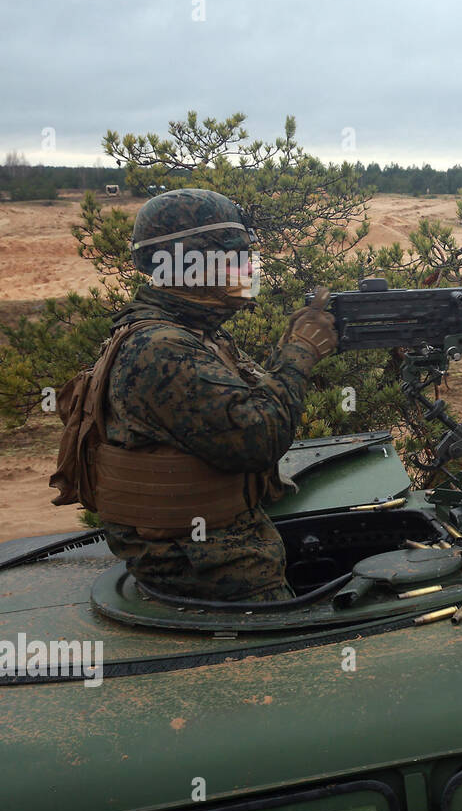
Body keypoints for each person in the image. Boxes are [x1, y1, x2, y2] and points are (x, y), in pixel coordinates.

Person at [52, 188, 337, 602]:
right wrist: (300, 353)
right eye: (236, 258)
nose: (249, 269)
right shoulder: (161, 348)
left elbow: (240, 405)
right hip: (208, 571)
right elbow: (259, 439)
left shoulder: (182, 332)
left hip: (205, 556)